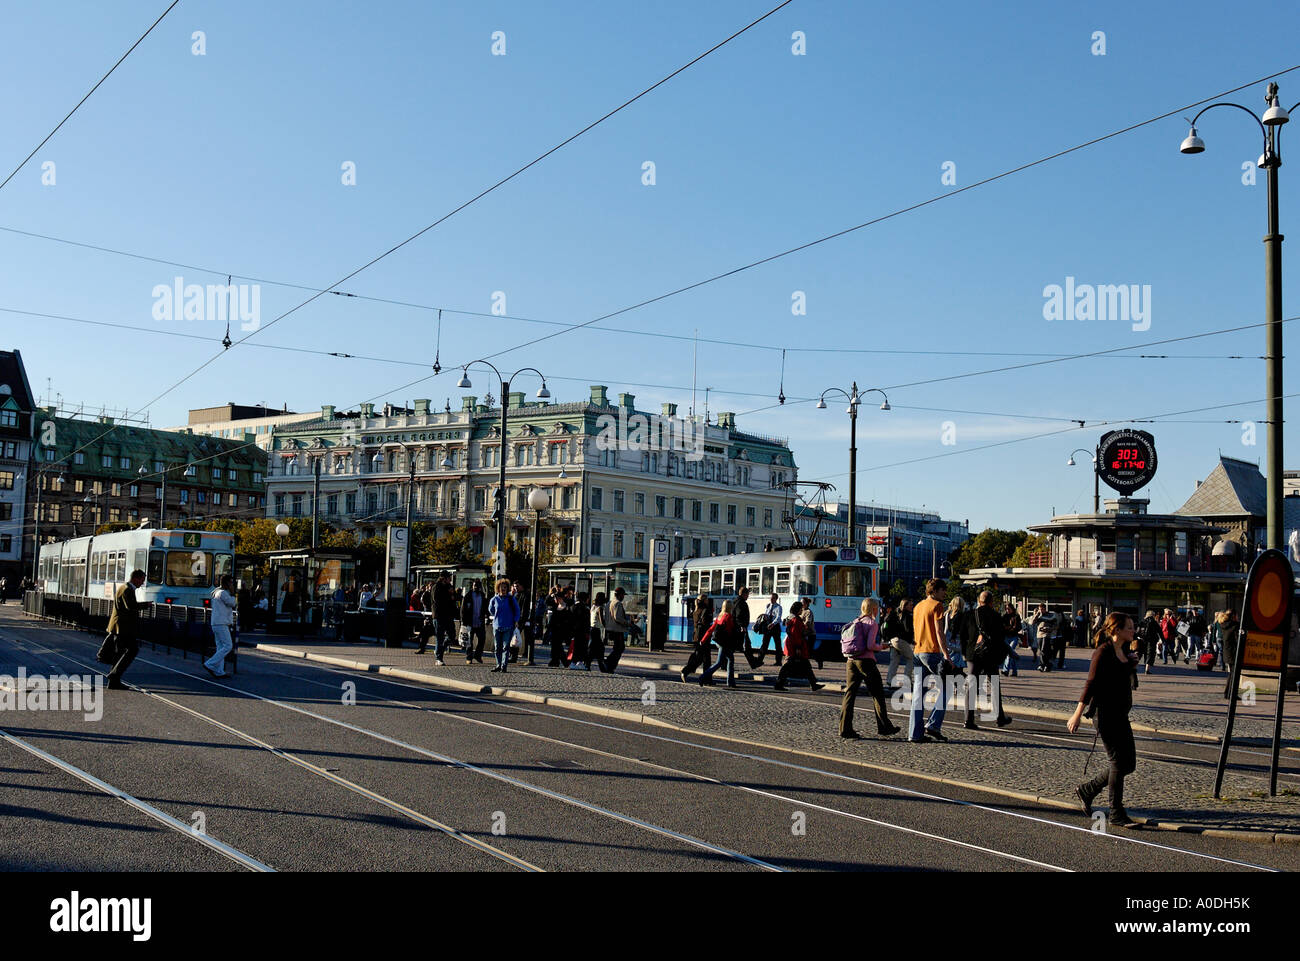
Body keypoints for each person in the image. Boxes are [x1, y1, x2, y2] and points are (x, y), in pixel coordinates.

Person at [1067, 612, 1140, 828]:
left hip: (1120, 714)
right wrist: (1077, 714)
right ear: (1116, 630)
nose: (1133, 631)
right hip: (1105, 715)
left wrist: (1131, 665)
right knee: (1118, 762)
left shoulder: (1124, 650)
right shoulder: (1103, 652)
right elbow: (1091, 684)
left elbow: (1119, 676)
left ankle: (1087, 790)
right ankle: (1116, 813)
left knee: (1129, 763)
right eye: (1129, 628)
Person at [839, 598, 899, 739]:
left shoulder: (855, 621)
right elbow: (870, 645)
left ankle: (844, 728)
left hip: (851, 660)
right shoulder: (872, 623)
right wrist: (883, 646)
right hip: (866, 661)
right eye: (877, 608)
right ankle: (884, 727)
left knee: (850, 694)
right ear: (873, 609)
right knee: (877, 693)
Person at [909, 579, 952, 743]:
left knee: (918, 695)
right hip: (931, 651)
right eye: (943, 590)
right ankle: (933, 724)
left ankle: (914, 734)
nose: (945, 593)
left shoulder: (918, 606)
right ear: (934, 591)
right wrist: (947, 655)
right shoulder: (937, 606)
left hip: (918, 652)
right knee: (949, 686)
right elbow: (939, 632)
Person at [966, 590, 1011, 729]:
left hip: (973, 655)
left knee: (971, 685)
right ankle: (999, 717)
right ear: (991, 602)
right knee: (995, 685)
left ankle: (968, 719)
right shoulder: (996, 616)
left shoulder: (969, 615)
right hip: (989, 655)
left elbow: (963, 635)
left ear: (979, 601)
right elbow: (1000, 637)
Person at [104, 569, 146, 690]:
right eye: (142, 580)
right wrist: (145, 605)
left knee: (119, 653)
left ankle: (113, 681)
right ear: (136, 578)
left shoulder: (123, 587)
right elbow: (130, 606)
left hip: (119, 627)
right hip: (123, 627)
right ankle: (113, 676)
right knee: (132, 650)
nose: (142, 583)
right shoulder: (128, 589)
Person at [772, 601, 822, 692]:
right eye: (801, 609)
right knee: (788, 666)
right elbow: (796, 634)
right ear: (798, 610)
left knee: (805, 665)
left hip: (793, 645)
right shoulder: (796, 620)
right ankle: (779, 684)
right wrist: (798, 647)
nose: (802, 611)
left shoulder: (793, 618)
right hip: (795, 646)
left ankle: (813, 684)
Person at [699, 600, 742, 687]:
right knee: (719, 663)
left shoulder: (720, 616)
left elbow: (710, 629)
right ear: (730, 607)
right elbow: (730, 631)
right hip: (725, 643)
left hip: (718, 641)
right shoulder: (728, 617)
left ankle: (731, 682)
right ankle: (703, 677)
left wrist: (703, 640)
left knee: (730, 660)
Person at [205, 574, 238, 678]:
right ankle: (210, 664)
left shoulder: (216, 592)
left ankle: (219, 671)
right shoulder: (223, 593)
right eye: (231, 582)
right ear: (227, 583)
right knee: (228, 646)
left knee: (220, 647)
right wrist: (233, 593)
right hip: (221, 622)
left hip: (216, 622)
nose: (232, 584)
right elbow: (232, 603)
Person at [488, 578, 520, 673]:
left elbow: (517, 610)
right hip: (497, 626)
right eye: (501, 587)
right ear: (498, 588)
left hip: (508, 626)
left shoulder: (511, 599)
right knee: (497, 647)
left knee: (506, 647)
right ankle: (498, 664)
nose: (503, 589)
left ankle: (504, 666)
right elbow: (491, 610)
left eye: (505, 587)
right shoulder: (494, 599)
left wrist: (516, 620)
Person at [680, 592, 714, 681]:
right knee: (706, 659)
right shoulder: (706, 610)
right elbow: (706, 624)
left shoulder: (696, 610)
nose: (708, 601)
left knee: (700, 658)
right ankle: (706, 679)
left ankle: (687, 671)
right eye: (706, 599)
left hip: (697, 637)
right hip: (704, 637)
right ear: (704, 601)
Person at [883, 597, 915, 693]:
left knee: (894, 660)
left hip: (893, 640)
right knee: (911, 658)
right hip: (901, 640)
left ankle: (890, 681)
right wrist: (913, 640)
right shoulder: (907, 615)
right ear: (905, 606)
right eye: (910, 605)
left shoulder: (894, 613)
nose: (912, 606)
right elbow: (908, 629)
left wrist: (887, 637)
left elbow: (886, 622)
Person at [425, 572, 457, 664]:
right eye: (448, 578)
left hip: (448, 615)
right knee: (440, 637)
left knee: (452, 635)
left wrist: (453, 595)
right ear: (444, 578)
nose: (450, 580)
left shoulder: (449, 587)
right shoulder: (436, 587)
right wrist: (449, 596)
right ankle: (439, 658)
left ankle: (440, 650)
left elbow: (454, 599)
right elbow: (437, 600)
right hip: (439, 615)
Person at [604, 587, 632, 673]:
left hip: (610, 628)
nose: (623, 597)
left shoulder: (609, 603)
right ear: (620, 595)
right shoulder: (618, 604)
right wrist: (627, 623)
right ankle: (609, 663)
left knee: (617, 648)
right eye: (623, 595)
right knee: (619, 648)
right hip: (617, 630)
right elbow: (618, 618)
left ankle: (609, 663)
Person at [459, 580, 487, 664]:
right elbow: (463, 610)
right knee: (469, 641)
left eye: (478, 586)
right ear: (472, 586)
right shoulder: (468, 596)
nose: (476, 587)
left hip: (479, 622)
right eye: (475, 585)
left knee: (482, 639)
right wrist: (463, 621)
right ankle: (469, 657)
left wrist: (487, 616)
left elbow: (485, 608)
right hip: (469, 622)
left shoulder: (482, 595)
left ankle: (478, 655)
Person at [753, 593, 783, 668]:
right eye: (770, 598)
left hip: (775, 627)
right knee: (764, 644)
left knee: (778, 645)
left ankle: (778, 661)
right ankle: (759, 660)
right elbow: (766, 614)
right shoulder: (768, 606)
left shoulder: (778, 607)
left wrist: (773, 624)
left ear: (776, 599)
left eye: (773, 598)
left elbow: (778, 617)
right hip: (768, 627)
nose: (771, 599)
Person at [1221, 609, 1241, 698]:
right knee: (1235, 674)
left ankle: (1227, 693)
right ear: (1234, 616)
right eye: (1237, 615)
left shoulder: (1224, 624)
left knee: (1232, 673)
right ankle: (1232, 694)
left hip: (1227, 651)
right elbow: (1238, 640)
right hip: (1234, 652)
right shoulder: (1235, 626)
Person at [569, 591, 591, 669]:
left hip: (574, 630)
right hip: (582, 630)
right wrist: (587, 631)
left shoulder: (573, 606)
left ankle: (575, 662)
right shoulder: (584, 608)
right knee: (582, 647)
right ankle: (578, 662)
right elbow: (586, 621)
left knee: (576, 646)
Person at [588, 592, 609, 671]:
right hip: (597, 630)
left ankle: (598, 665)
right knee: (599, 648)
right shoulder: (600, 608)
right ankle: (599, 665)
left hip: (592, 628)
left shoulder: (593, 606)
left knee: (595, 648)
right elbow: (602, 620)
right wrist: (607, 627)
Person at [1137, 609, 1161, 674]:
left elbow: (1137, 632)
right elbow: (1160, 631)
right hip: (1152, 641)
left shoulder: (1142, 622)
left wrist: (1138, 637)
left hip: (1142, 640)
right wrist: (1163, 640)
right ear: (1153, 615)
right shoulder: (1155, 623)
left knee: (1139, 654)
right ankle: (1147, 669)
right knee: (1149, 654)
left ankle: (1133, 667)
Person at [1002, 603, 1022, 676]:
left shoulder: (1016, 616)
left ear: (1012, 608)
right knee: (1011, 654)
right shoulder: (1004, 616)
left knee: (1009, 652)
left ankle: (1005, 670)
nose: (1007, 610)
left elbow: (1018, 627)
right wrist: (1009, 627)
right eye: (1006, 609)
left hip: (1014, 637)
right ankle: (1014, 672)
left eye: (1009, 609)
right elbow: (1002, 626)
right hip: (1006, 637)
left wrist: (1010, 628)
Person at [801, 597, 821, 669]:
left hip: (810, 634)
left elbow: (808, 622)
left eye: (802, 603)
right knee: (804, 650)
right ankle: (804, 665)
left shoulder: (809, 612)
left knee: (810, 651)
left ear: (806, 604)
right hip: (803, 633)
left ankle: (819, 660)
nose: (801, 604)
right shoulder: (801, 611)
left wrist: (803, 625)